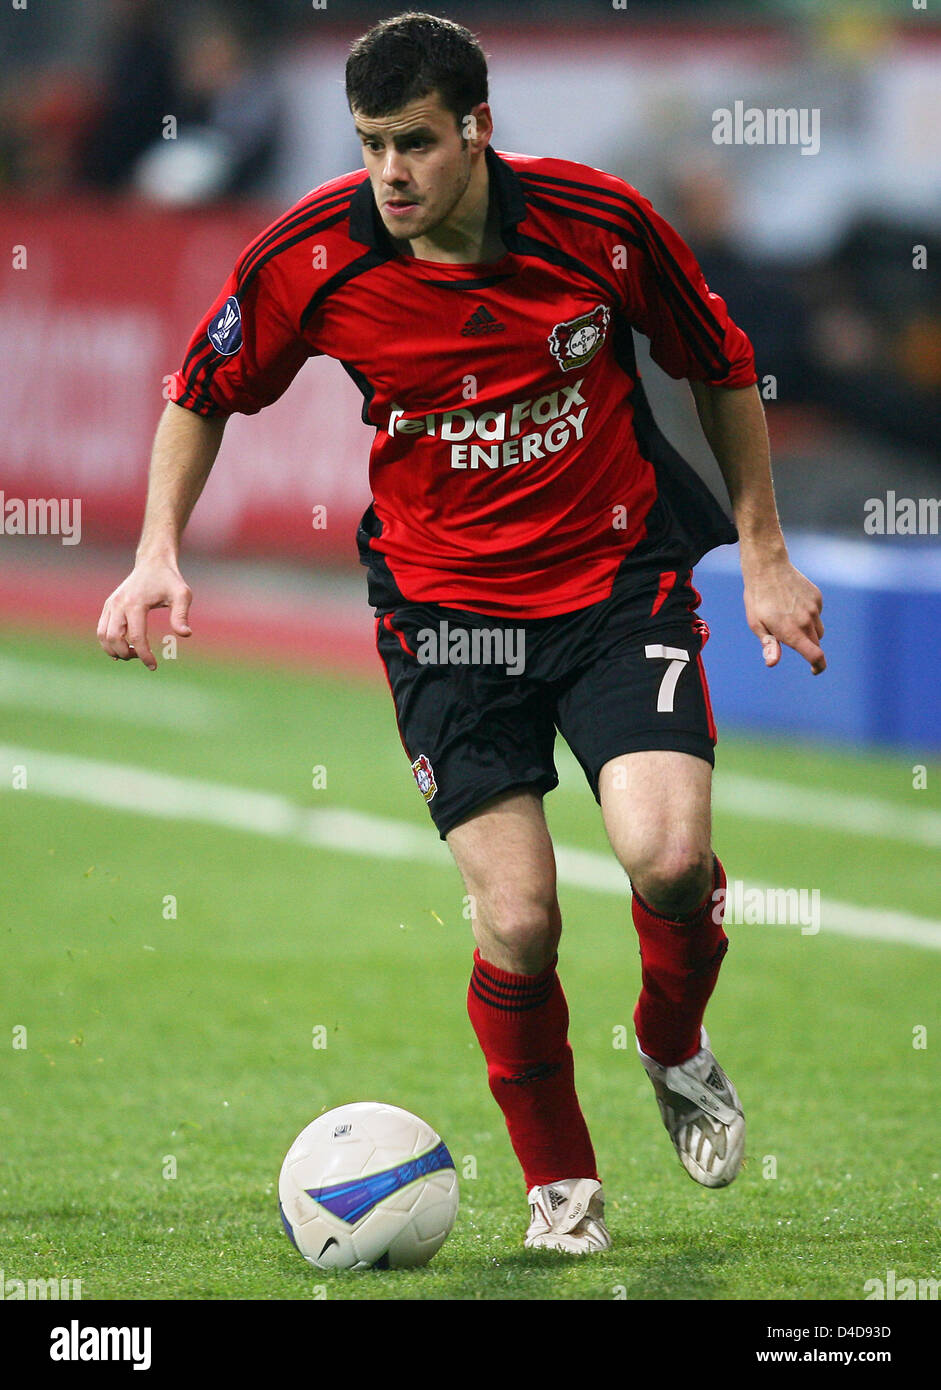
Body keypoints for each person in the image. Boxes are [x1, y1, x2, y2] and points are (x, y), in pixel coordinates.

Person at [97, 12, 826, 1254]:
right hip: (442, 620)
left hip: (611, 584)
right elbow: (201, 387)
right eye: (372, 144)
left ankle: (669, 1039)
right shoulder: (312, 255)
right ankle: (563, 1186)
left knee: (663, 858)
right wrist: (155, 549)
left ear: (478, 129)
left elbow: (719, 360)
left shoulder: (598, 224)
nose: (391, 173)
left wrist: (761, 550)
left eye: (416, 143)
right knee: (523, 921)